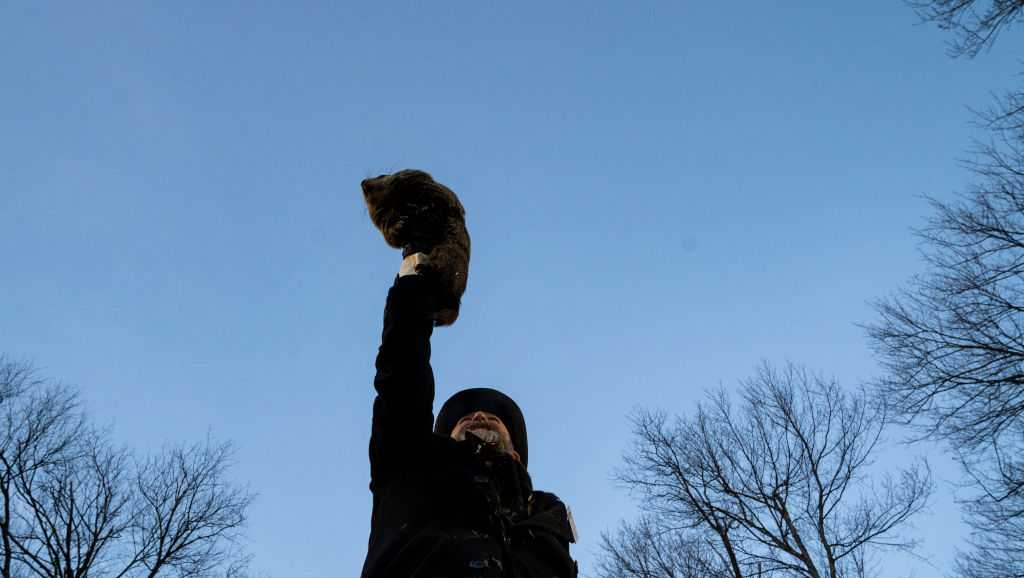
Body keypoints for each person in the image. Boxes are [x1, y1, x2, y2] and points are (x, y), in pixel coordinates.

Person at [361, 253, 578, 578]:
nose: (479, 414)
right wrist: (417, 273)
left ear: (517, 456)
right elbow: (402, 379)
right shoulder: (409, 470)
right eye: (464, 418)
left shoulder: (546, 523)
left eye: (495, 418)